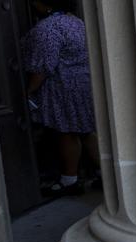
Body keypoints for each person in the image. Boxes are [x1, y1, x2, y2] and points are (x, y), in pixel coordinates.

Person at [21, 2, 97, 197]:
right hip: (85, 84)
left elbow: (43, 67)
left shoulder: (48, 28)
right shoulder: (77, 22)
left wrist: (28, 91)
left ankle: (69, 180)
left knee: (67, 133)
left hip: (65, 89)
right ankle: (105, 174)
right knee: (87, 131)